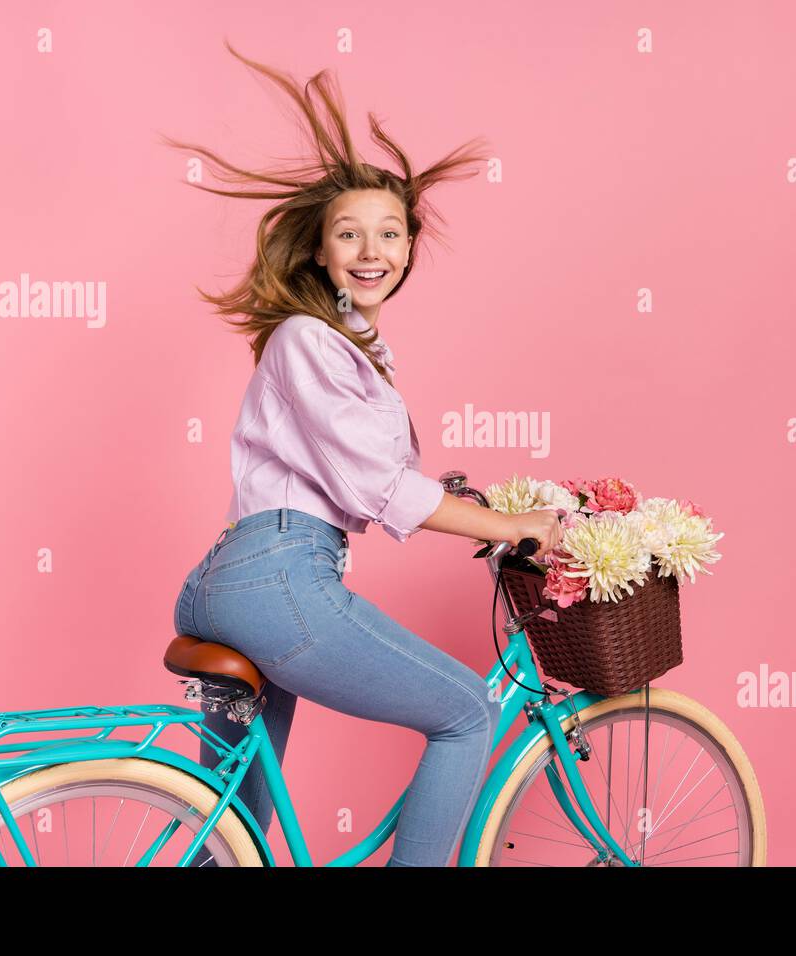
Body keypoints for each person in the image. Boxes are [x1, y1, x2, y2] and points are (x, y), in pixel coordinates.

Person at [165, 45, 562, 867]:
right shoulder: (309, 337)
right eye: (349, 233)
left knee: (232, 825)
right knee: (468, 715)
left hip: (234, 583)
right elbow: (373, 483)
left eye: (389, 232)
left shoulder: (348, 346)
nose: (371, 248)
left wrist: (460, 499)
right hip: (275, 581)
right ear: (318, 250)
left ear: (411, 247)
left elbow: (361, 466)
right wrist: (507, 522)